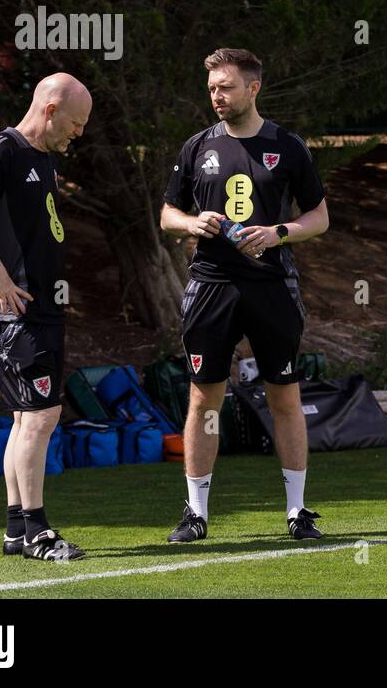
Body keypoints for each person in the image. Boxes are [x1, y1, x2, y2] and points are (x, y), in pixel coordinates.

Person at [161, 48, 330, 543]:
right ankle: (196, 514)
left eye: (226, 87)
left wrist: (279, 232)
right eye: (212, 87)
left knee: (285, 397)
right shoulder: (197, 147)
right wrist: (192, 222)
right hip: (211, 284)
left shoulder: (287, 145)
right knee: (203, 399)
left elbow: (319, 217)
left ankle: (298, 511)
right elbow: (168, 214)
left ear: (253, 88)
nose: (217, 96)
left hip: (272, 285)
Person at [0, 73, 92, 561]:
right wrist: (1, 278)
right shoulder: (0, 151)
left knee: (27, 418)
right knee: (42, 415)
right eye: (75, 122)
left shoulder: (43, 159)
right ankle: (37, 532)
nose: (79, 132)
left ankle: (15, 529)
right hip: (16, 313)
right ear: (50, 109)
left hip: (41, 311)